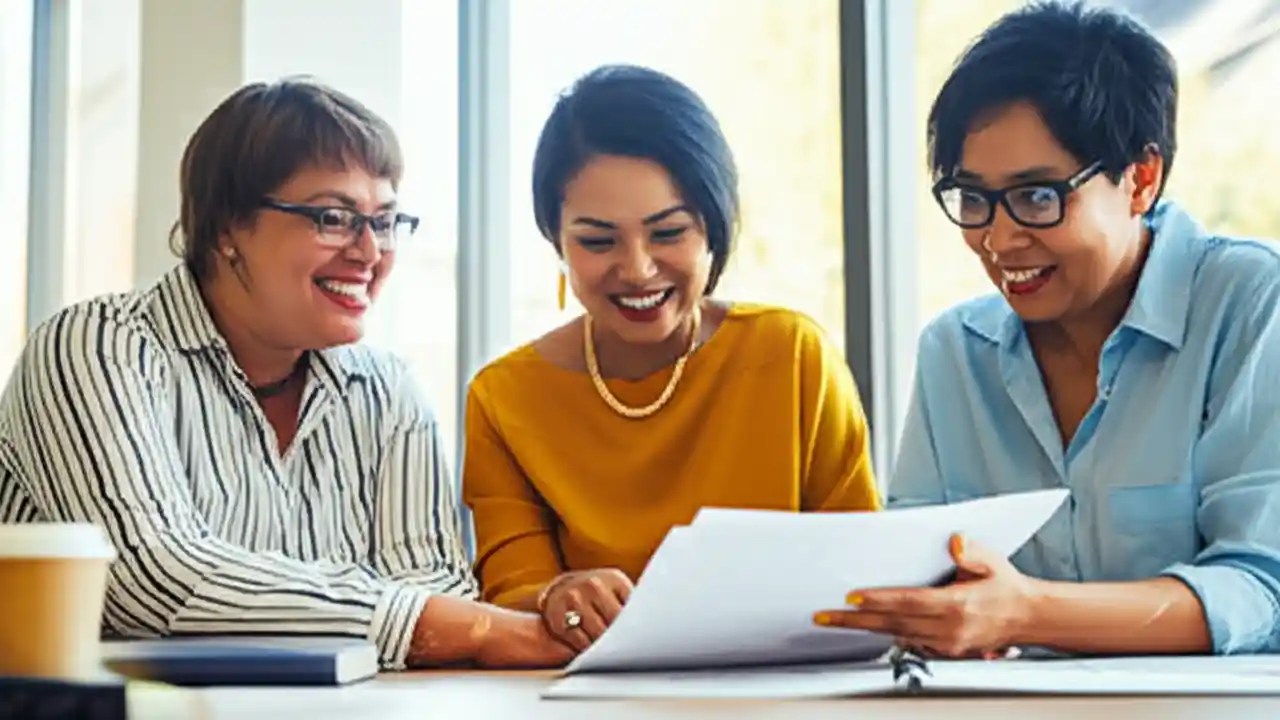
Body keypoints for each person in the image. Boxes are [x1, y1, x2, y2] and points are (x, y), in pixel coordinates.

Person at [0, 78, 573, 670]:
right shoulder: (95, 348)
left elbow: (434, 587)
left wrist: (451, 623)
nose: (371, 252)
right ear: (227, 228)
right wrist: (460, 627)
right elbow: (151, 578)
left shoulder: (386, 391)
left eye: (385, 221)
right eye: (333, 216)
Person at [812, 1, 1280, 657]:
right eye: (973, 199)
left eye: (1038, 197)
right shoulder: (955, 352)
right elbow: (921, 576)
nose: (999, 239)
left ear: (1140, 178)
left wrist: (1025, 612)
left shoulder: (1251, 302)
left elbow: (1262, 591)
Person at [463, 64, 880, 652]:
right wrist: (558, 596)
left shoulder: (791, 356)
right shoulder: (503, 398)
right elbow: (513, 590)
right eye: (597, 240)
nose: (637, 269)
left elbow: (864, 568)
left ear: (713, 225)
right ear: (556, 241)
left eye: (668, 232)